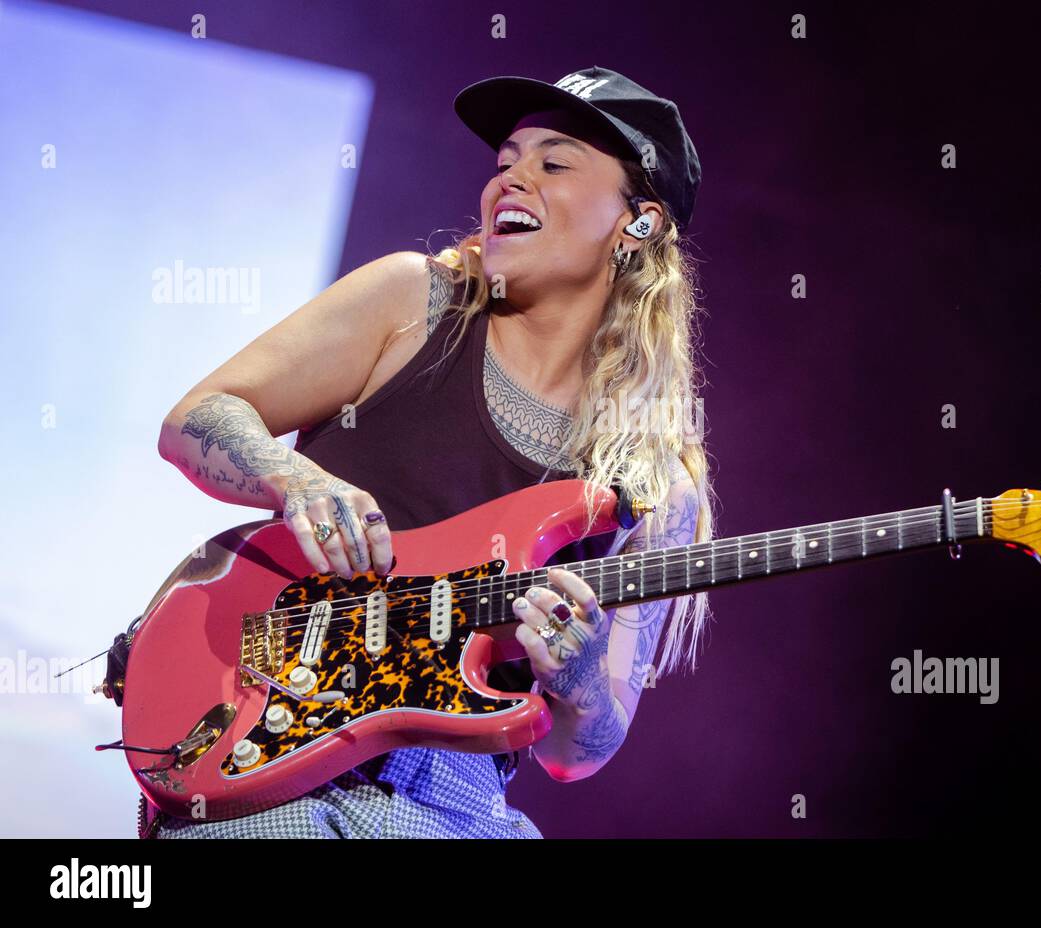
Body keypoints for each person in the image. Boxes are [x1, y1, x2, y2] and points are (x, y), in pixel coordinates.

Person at [147, 67, 714, 838]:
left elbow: (580, 754)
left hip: (457, 803)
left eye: (554, 162)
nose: (511, 177)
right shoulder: (413, 304)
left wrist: (579, 682)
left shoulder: (652, 483)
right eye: (505, 160)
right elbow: (197, 418)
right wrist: (295, 478)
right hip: (269, 746)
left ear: (638, 224)